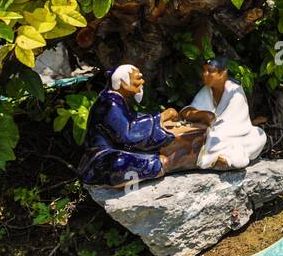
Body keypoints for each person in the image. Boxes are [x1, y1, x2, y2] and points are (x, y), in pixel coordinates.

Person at [77, 64, 206, 187]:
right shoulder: (110, 103)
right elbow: (128, 134)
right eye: (138, 78)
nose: (142, 82)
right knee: (120, 163)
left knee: (160, 148)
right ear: (122, 82)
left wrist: (159, 120)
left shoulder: (117, 99)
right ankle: (168, 163)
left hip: (121, 148)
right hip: (103, 157)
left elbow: (133, 119)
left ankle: (175, 159)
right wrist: (160, 118)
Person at [179, 58, 267, 171]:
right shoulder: (207, 90)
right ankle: (221, 158)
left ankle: (223, 159)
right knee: (208, 137)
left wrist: (209, 123)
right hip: (211, 133)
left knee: (259, 136)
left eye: (210, 71)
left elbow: (232, 126)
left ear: (223, 73)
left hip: (234, 134)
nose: (204, 75)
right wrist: (199, 115)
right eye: (204, 71)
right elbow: (190, 110)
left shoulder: (235, 93)